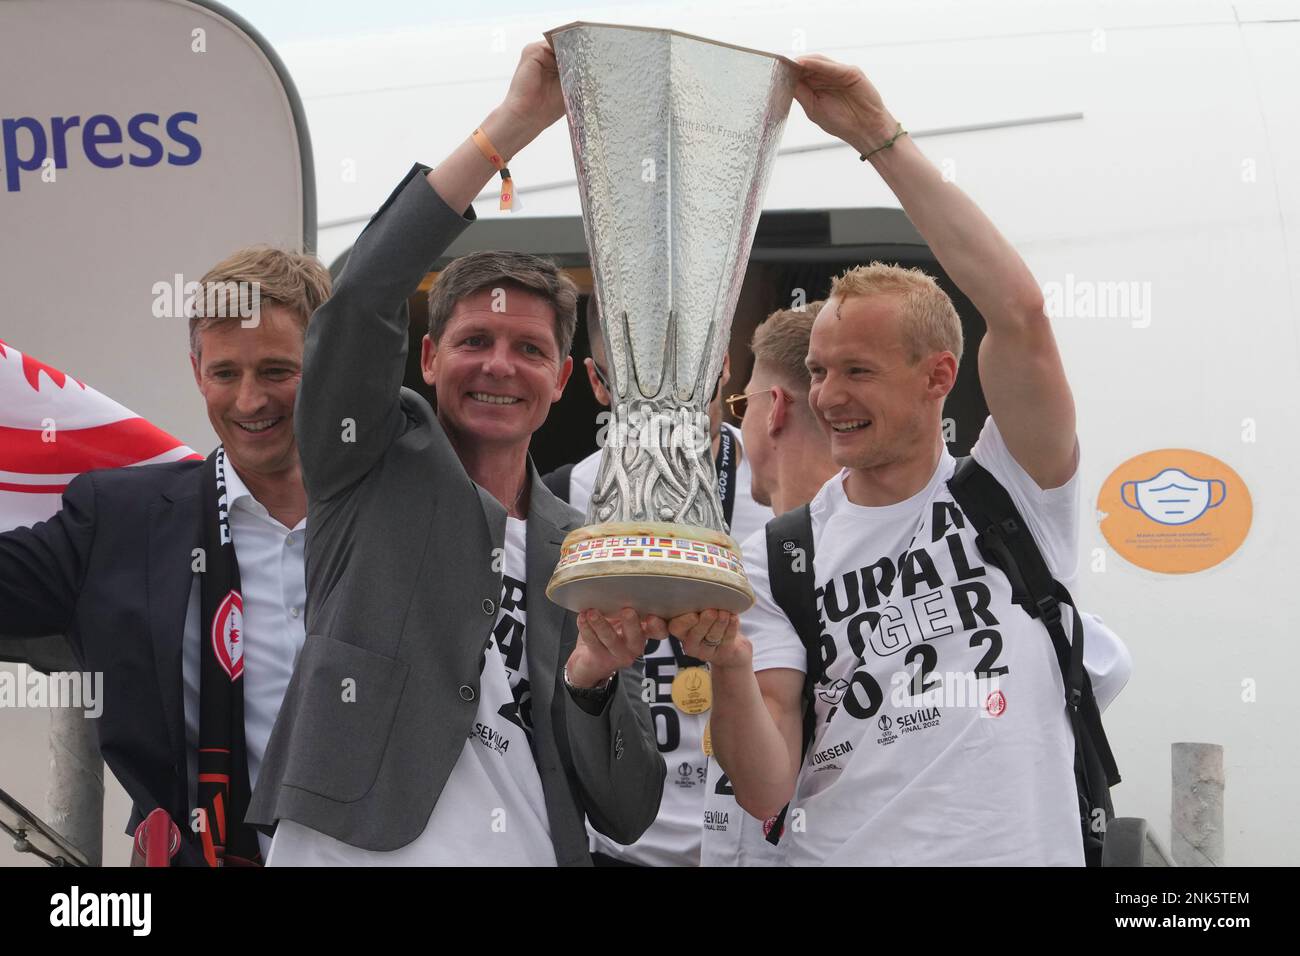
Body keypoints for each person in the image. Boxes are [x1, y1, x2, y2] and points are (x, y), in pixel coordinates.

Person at [669, 53, 1113, 865]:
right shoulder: (777, 554)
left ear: (938, 376)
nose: (828, 395)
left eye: (858, 371)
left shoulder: (1016, 489)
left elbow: (1018, 310)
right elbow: (767, 791)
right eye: (817, 371)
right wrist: (728, 666)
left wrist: (875, 135)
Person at [250, 41, 664, 866]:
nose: (500, 366)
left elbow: (628, 806)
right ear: (430, 358)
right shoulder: (368, 460)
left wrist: (591, 681)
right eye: (475, 340)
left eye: (528, 349)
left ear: (560, 381)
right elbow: (361, 297)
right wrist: (511, 128)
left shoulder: (584, 546)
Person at [0, 246, 331, 865]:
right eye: (227, 373)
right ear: (196, 370)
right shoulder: (118, 522)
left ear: (327, 365)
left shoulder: (388, 516)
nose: (251, 401)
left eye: (278, 371)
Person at [546, 297, 773, 867]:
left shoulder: (782, 491)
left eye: (690, 369)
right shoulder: (562, 499)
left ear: (721, 364)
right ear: (598, 383)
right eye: (634, 379)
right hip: (619, 848)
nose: (667, 400)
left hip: (762, 845)